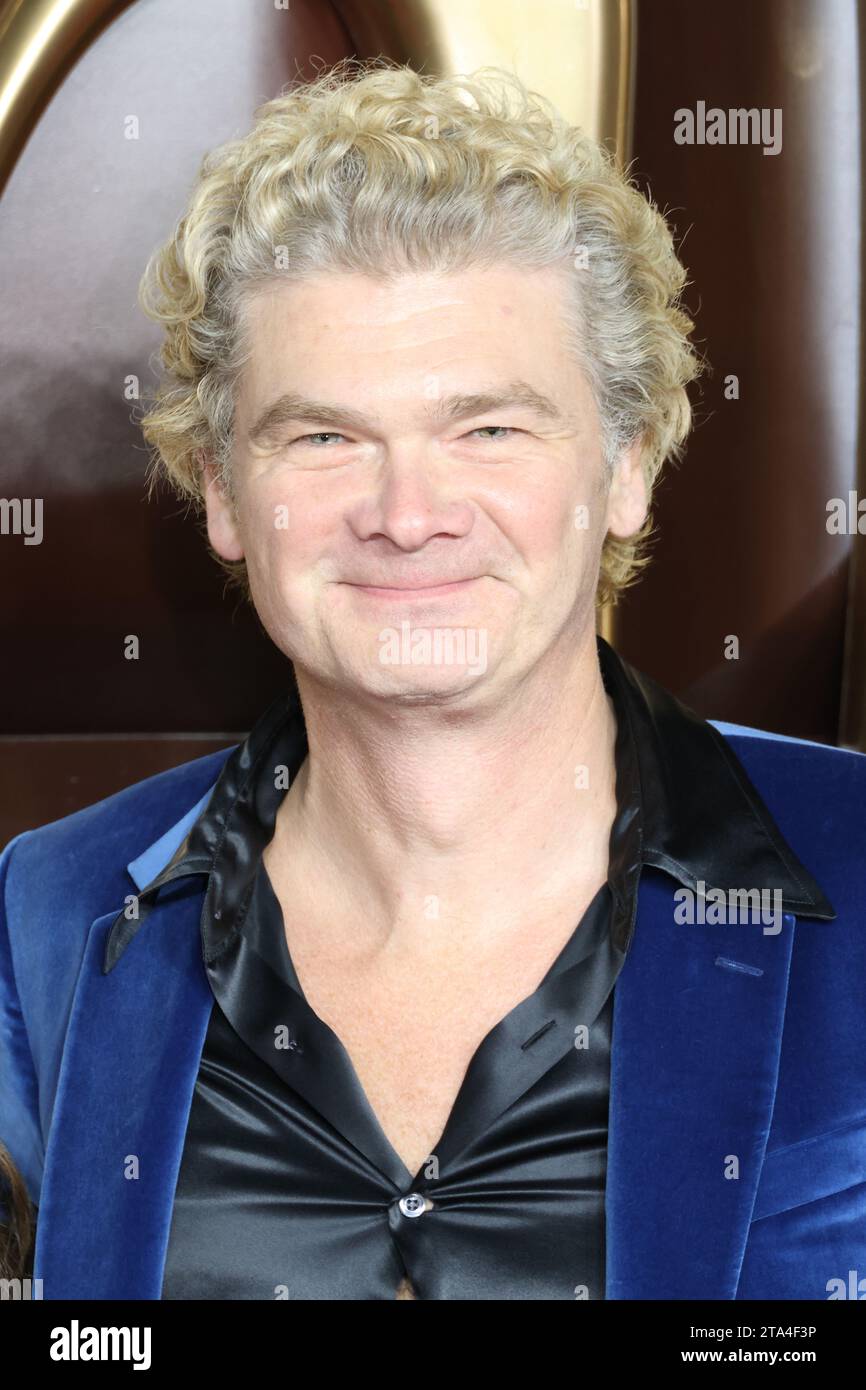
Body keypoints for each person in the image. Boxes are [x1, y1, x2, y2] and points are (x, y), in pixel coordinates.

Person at [1, 58, 864, 1301]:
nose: (406, 515)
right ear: (224, 494)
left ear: (626, 463)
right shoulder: (53, 912)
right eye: (324, 437)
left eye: (489, 429)